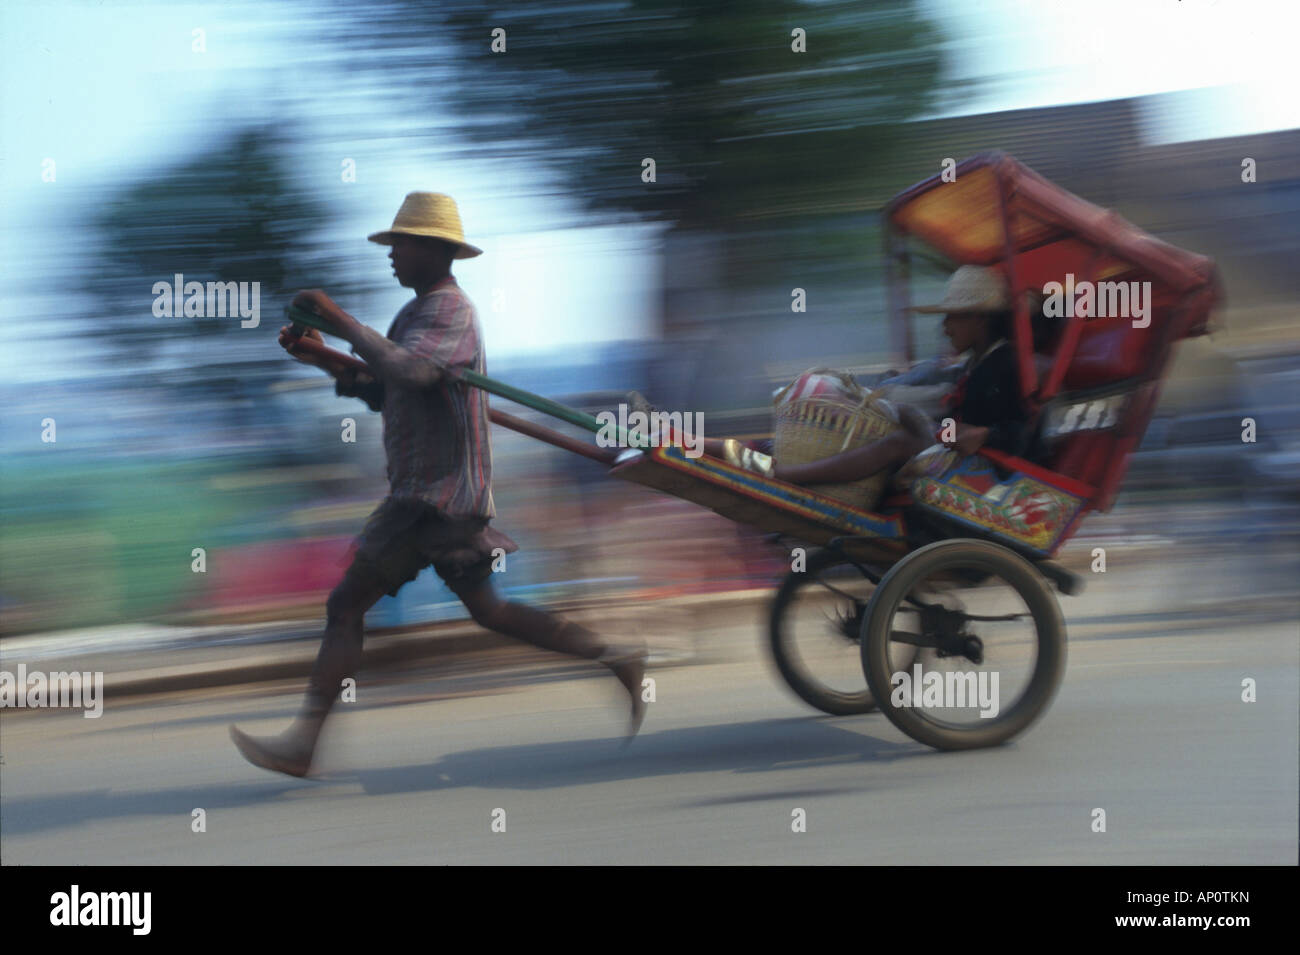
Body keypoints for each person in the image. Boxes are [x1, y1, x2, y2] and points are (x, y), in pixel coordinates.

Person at [230, 192, 646, 778]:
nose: (391, 255)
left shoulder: (450, 310)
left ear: (433, 249)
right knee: (489, 610)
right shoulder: (417, 314)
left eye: (400, 243)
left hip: (433, 497)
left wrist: (344, 320)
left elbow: (414, 371)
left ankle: (303, 746)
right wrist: (322, 355)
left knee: (345, 607)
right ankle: (615, 655)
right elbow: (383, 387)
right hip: (438, 494)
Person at [707, 265, 1033, 485]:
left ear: (979, 319)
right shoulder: (971, 364)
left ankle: (792, 476)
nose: (945, 328)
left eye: (952, 318)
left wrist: (984, 435)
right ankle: (694, 443)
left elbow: (1023, 432)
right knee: (846, 425)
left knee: (897, 440)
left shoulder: (1007, 365)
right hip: (948, 448)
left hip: (981, 473)